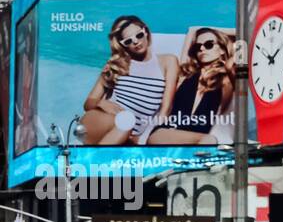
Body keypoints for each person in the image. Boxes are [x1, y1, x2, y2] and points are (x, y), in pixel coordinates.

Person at [80, 15, 179, 146]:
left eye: (139, 35)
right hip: (101, 120)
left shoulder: (168, 61)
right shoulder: (116, 65)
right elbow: (88, 104)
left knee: (126, 123)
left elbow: (166, 109)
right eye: (128, 41)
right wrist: (102, 103)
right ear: (122, 45)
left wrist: (144, 136)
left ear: (146, 32)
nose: (136, 42)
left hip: (127, 134)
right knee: (126, 121)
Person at [147, 27, 236, 146]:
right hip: (165, 133)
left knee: (210, 140)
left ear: (222, 49)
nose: (202, 48)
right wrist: (207, 31)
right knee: (209, 140)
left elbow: (246, 34)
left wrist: (215, 31)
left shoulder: (227, 80)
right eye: (197, 47)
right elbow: (192, 30)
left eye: (209, 44)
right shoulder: (186, 73)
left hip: (195, 139)